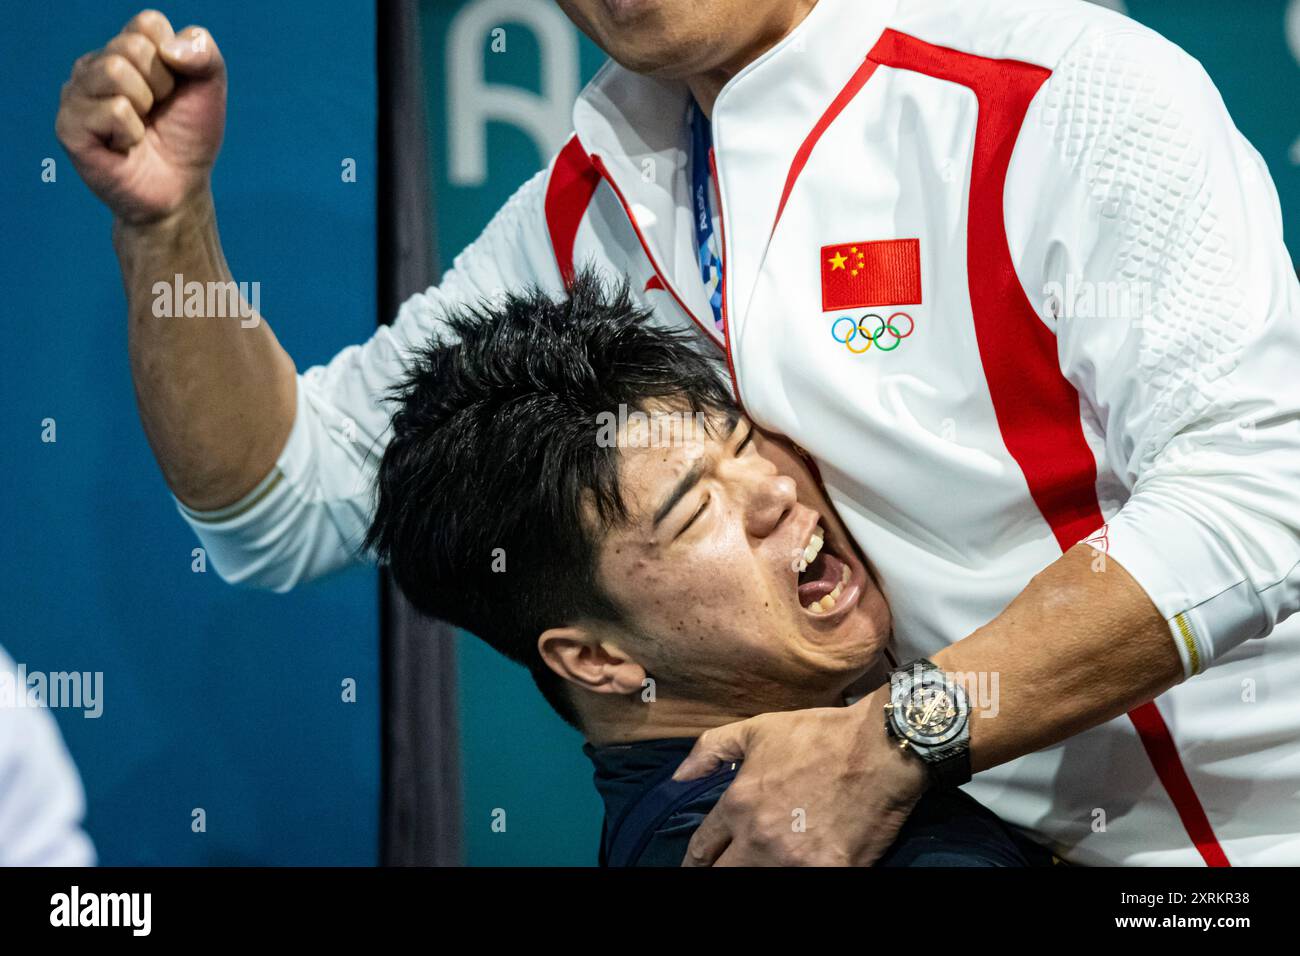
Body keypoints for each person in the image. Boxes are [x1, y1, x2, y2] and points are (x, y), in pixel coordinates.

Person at [55, 1, 1300, 866]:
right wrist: (167, 233)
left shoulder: (1057, 92)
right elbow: (282, 498)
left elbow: (1264, 488)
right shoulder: (591, 203)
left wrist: (896, 732)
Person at [365, 270, 1056, 867]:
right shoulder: (790, 841)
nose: (774, 492)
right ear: (597, 658)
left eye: (745, 442)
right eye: (695, 512)